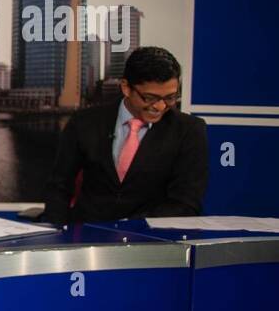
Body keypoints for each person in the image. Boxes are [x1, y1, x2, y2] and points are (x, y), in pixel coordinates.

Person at [42, 45, 208, 225]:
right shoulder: (84, 122)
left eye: (170, 97)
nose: (160, 106)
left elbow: (186, 203)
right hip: (86, 236)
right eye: (150, 98)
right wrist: (56, 233)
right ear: (126, 88)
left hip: (151, 242)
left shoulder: (190, 130)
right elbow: (59, 186)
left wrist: (128, 229)